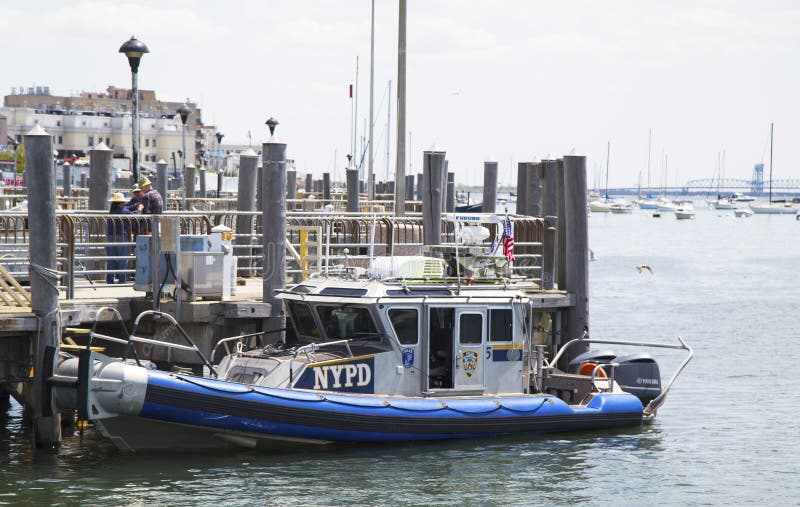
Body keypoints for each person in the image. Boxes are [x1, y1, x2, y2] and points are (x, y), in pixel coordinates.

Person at [106, 192, 134, 284]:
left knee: (111, 259)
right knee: (123, 259)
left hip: (110, 237)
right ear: (121, 203)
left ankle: (110, 279)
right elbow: (136, 216)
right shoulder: (124, 212)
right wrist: (140, 209)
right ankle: (122, 280)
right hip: (122, 237)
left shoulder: (112, 212)